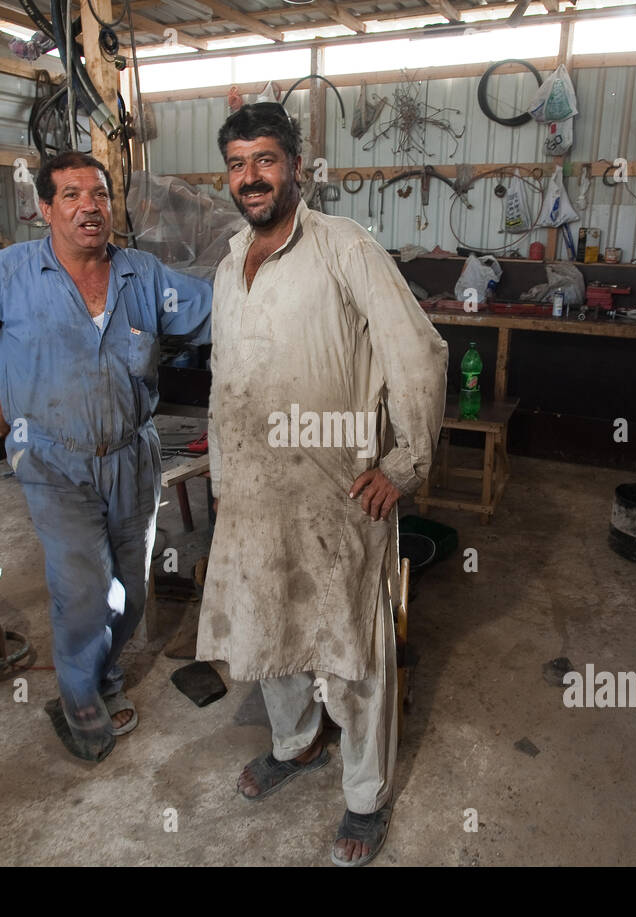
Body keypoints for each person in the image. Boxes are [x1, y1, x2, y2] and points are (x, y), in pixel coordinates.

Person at [196, 103, 447, 866]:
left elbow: (420, 354)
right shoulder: (226, 262)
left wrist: (404, 465)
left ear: (298, 167)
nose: (252, 177)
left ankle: (364, 797)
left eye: (266, 160)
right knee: (265, 626)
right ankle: (294, 744)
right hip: (253, 492)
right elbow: (222, 377)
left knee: (352, 649)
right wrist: (221, 471)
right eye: (238, 164)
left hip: (337, 491)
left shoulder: (346, 248)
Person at [0, 151, 212, 762]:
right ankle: (80, 694)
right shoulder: (7, 274)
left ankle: (106, 673)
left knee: (129, 590)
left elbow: (219, 309)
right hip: (52, 458)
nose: (90, 206)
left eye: (100, 195)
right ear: (45, 210)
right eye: (72, 196)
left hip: (132, 457)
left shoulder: (143, 275)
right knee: (83, 586)